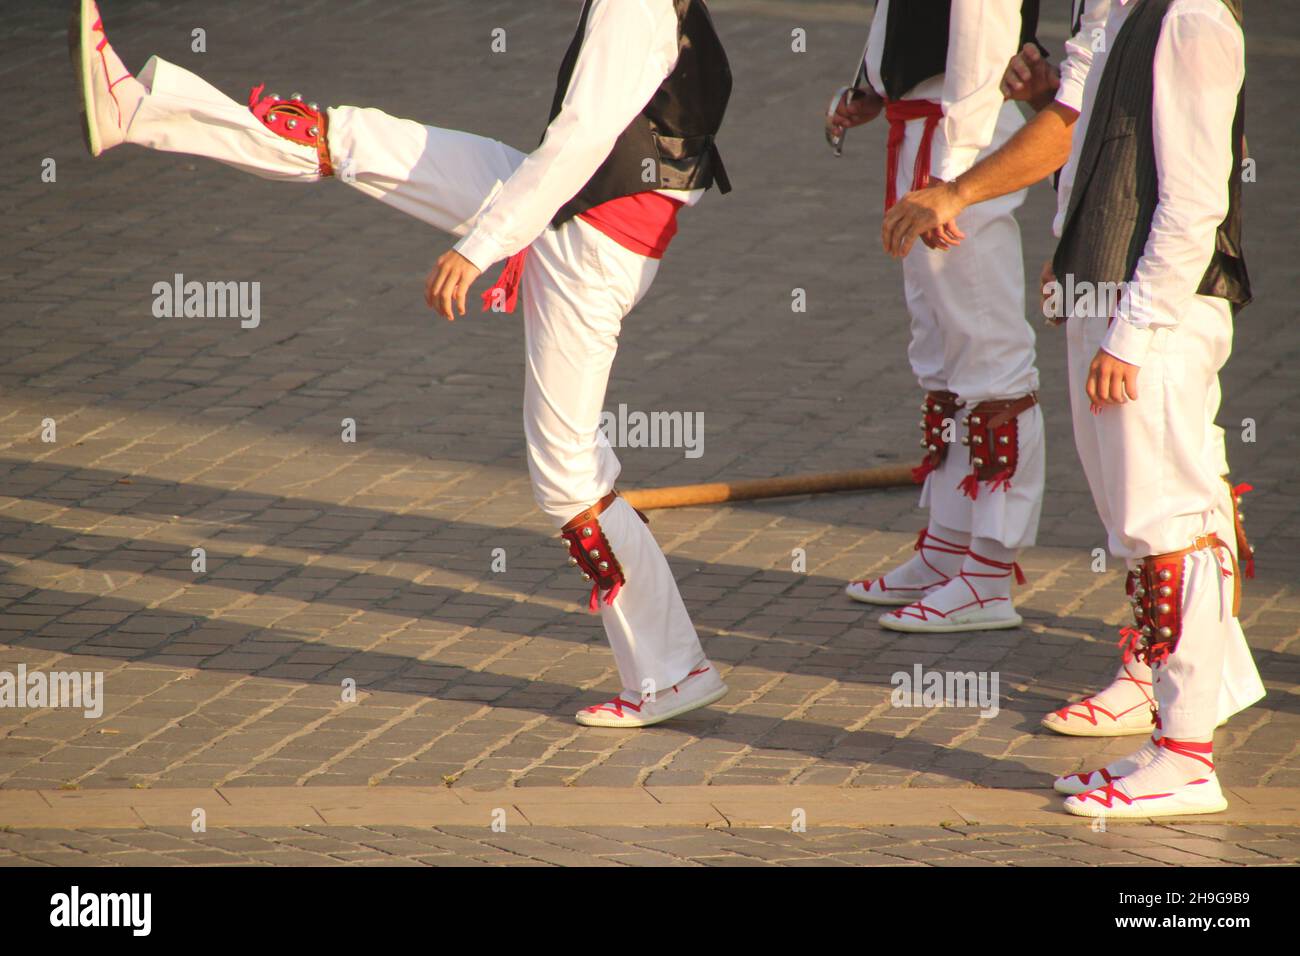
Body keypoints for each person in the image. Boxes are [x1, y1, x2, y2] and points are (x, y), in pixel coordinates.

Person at [70, 0, 734, 728]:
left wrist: (481, 246)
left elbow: (580, 140)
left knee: (568, 477)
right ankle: (135, 107)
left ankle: (673, 671)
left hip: (588, 246)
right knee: (360, 138)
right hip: (574, 211)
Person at [882, 0, 1263, 817]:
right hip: (1114, 295)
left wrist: (1131, 332)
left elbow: (1194, 203)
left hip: (1150, 311)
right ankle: (1174, 732)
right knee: (1143, 525)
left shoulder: (1193, 18)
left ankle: (1186, 754)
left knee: (1168, 526)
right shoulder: (1133, 10)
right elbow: (1086, 131)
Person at [829, 0, 1047, 635]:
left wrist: (954, 176)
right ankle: (950, 546)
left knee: (989, 358)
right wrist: (871, 83)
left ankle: (988, 573)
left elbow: (984, 36)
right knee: (943, 356)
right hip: (925, 127)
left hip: (962, 138)